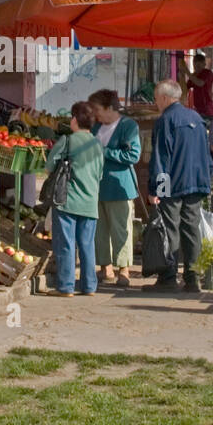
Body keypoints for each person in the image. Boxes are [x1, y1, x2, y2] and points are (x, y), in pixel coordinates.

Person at [145, 79, 213, 293]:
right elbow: (207, 155)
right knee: (191, 228)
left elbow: (161, 158)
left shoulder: (166, 120)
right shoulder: (196, 118)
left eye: (156, 99)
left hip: (173, 185)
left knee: (170, 227)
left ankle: (168, 276)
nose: (156, 103)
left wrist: (157, 191)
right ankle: (193, 277)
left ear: (165, 98)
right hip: (196, 183)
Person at [45, 101, 105, 297]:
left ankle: (66, 286)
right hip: (90, 203)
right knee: (87, 245)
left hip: (68, 201)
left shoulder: (67, 140)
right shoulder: (98, 144)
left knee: (66, 244)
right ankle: (89, 286)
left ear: (76, 120)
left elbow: (50, 165)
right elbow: (100, 174)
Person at [87, 89, 141, 288]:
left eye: (98, 109)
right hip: (96, 186)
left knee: (121, 229)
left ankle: (124, 269)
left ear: (110, 108)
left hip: (120, 187)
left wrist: (104, 152)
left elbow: (133, 155)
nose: (96, 114)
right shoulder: (96, 127)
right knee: (99, 230)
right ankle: (105, 267)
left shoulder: (128, 126)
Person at [185, 52, 213, 119]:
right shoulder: (194, 75)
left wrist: (187, 73)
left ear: (204, 64)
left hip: (207, 110)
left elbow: (200, 83)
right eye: (195, 66)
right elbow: (186, 87)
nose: (197, 68)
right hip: (197, 109)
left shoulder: (207, 73)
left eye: (199, 66)